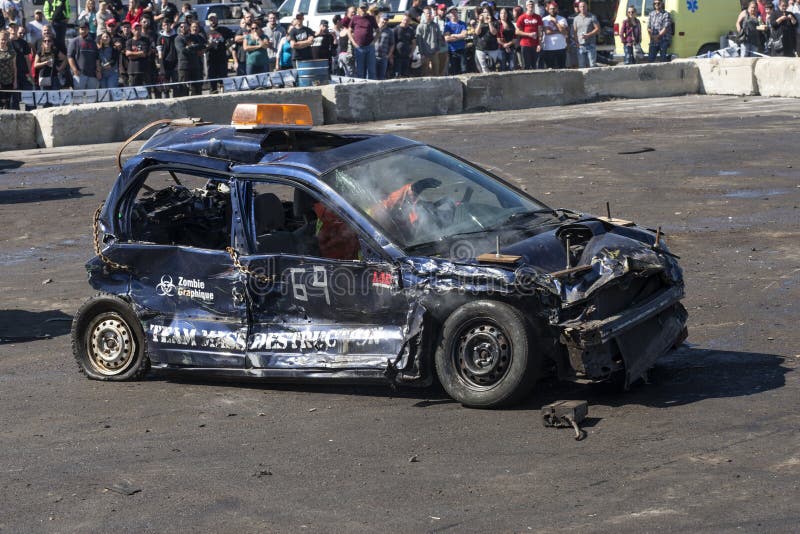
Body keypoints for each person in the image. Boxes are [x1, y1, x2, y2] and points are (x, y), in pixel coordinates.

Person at [68, 21, 101, 89]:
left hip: (92, 74)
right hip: (79, 74)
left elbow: (97, 58)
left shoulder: (93, 42)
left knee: (92, 97)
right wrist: (74, 70)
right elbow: (70, 57)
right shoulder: (74, 41)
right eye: (82, 29)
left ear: (88, 29)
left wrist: (98, 71)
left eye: (85, 29)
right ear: (79, 30)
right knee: (78, 97)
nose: (83, 31)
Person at [349, 2, 378, 79]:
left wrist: (373, 42)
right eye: (362, 8)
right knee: (360, 71)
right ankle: (361, 88)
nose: (363, 9)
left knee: (371, 70)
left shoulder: (371, 18)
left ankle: (372, 88)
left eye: (365, 8)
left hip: (369, 47)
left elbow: (378, 31)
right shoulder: (354, 18)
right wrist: (354, 43)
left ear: (367, 8)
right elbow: (349, 31)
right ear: (358, 9)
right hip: (359, 47)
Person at [205, 13, 233, 91]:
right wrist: (210, 45)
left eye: (214, 19)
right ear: (209, 21)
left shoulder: (224, 30)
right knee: (212, 83)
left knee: (223, 81)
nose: (212, 21)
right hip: (211, 60)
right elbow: (203, 46)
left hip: (222, 59)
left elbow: (234, 37)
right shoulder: (206, 32)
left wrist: (228, 45)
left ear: (217, 20)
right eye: (211, 20)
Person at [540, 1, 568, 68]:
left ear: (557, 9)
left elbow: (564, 32)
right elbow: (547, 32)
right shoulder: (544, 19)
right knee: (550, 69)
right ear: (548, 10)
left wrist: (555, 22)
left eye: (554, 8)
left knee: (562, 68)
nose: (552, 10)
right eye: (551, 9)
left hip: (561, 47)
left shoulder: (562, 19)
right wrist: (558, 31)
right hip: (548, 48)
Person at [516, 0, 542, 70]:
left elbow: (540, 31)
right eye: (529, 5)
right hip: (525, 44)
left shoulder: (538, 17)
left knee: (535, 65)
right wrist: (529, 34)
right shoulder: (522, 17)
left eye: (532, 4)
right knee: (526, 65)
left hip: (535, 45)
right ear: (526, 6)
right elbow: (517, 32)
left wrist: (539, 44)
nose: (531, 6)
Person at [473, 7, 500, 73]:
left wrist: (489, 22)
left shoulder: (495, 22)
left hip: (493, 48)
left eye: (487, 12)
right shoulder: (479, 22)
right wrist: (479, 21)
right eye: (484, 12)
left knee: (492, 66)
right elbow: (477, 32)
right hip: (481, 47)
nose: (485, 13)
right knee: (483, 68)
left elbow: (494, 33)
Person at [573, 0, 599, 67]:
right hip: (580, 46)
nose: (582, 8)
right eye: (581, 7)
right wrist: (576, 43)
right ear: (579, 8)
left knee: (592, 65)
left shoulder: (592, 17)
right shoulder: (576, 19)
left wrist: (589, 35)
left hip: (590, 44)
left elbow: (597, 29)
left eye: (584, 6)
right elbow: (575, 32)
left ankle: (592, 78)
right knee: (581, 66)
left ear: (587, 7)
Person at [125, 21, 150, 87]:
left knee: (146, 93)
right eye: (136, 29)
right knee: (133, 93)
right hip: (132, 70)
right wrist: (139, 53)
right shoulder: (129, 41)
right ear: (132, 30)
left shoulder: (145, 40)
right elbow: (128, 55)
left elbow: (144, 54)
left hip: (144, 70)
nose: (138, 30)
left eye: (139, 29)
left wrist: (132, 53)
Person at [155, 18, 176, 95]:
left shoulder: (176, 36)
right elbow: (159, 54)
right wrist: (161, 67)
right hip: (165, 65)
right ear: (162, 27)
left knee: (176, 87)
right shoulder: (160, 38)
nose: (166, 26)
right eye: (164, 25)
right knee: (165, 88)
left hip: (175, 65)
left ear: (171, 25)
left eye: (167, 24)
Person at [444, 7, 467, 75]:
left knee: (464, 69)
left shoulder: (462, 24)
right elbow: (447, 38)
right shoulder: (447, 25)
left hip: (462, 49)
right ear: (449, 14)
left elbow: (464, 35)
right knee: (454, 70)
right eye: (452, 12)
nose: (453, 14)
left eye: (455, 12)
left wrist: (453, 35)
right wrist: (459, 36)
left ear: (457, 13)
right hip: (452, 50)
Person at [372, 14, 394, 80]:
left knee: (381, 77)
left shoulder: (390, 31)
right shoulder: (373, 28)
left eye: (386, 20)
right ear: (379, 19)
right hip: (373, 56)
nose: (385, 21)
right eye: (384, 19)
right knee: (372, 76)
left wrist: (388, 55)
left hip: (383, 57)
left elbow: (392, 44)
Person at [10, 25, 31, 92]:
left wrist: (30, 72)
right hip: (11, 73)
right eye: (11, 27)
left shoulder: (24, 43)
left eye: (15, 27)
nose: (13, 29)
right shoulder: (6, 43)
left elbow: (27, 58)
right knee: (15, 95)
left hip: (22, 71)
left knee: (27, 93)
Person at [393, 13, 415, 78]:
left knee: (405, 75)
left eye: (407, 20)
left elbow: (414, 43)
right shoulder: (396, 29)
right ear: (402, 20)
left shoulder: (411, 30)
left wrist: (411, 53)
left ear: (410, 21)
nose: (405, 22)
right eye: (405, 20)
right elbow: (392, 43)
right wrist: (391, 55)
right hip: (397, 56)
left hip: (407, 56)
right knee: (397, 75)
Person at [0, 30, 17, 110]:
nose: (3, 41)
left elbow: (14, 67)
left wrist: (15, 81)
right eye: (2, 39)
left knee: (8, 102)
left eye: (5, 39)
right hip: (0, 81)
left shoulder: (12, 52)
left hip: (9, 80)